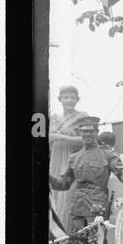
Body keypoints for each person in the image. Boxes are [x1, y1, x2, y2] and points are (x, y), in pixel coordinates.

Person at [48, 116, 123, 244]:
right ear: (79, 133)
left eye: (90, 131)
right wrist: (49, 177)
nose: (87, 134)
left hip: (97, 205)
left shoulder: (107, 154)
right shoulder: (74, 157)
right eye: (84, 131)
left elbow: (120, 169)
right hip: (77, 205)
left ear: (96, 133)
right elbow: (64, 183)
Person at [49, 85, 89, 224]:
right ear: (60, 99)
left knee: (69, 194)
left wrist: (61, 137)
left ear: (77, 100)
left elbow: (85, 140)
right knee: (55, 193)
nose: (69, 100)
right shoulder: (54, 117)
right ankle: (55, 234)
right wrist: (57, 136)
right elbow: (48, 137)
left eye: (72, 97)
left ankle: (68, 234)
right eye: (66, 97)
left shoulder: (82, 116)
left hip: (73, 157)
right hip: (56, 156)